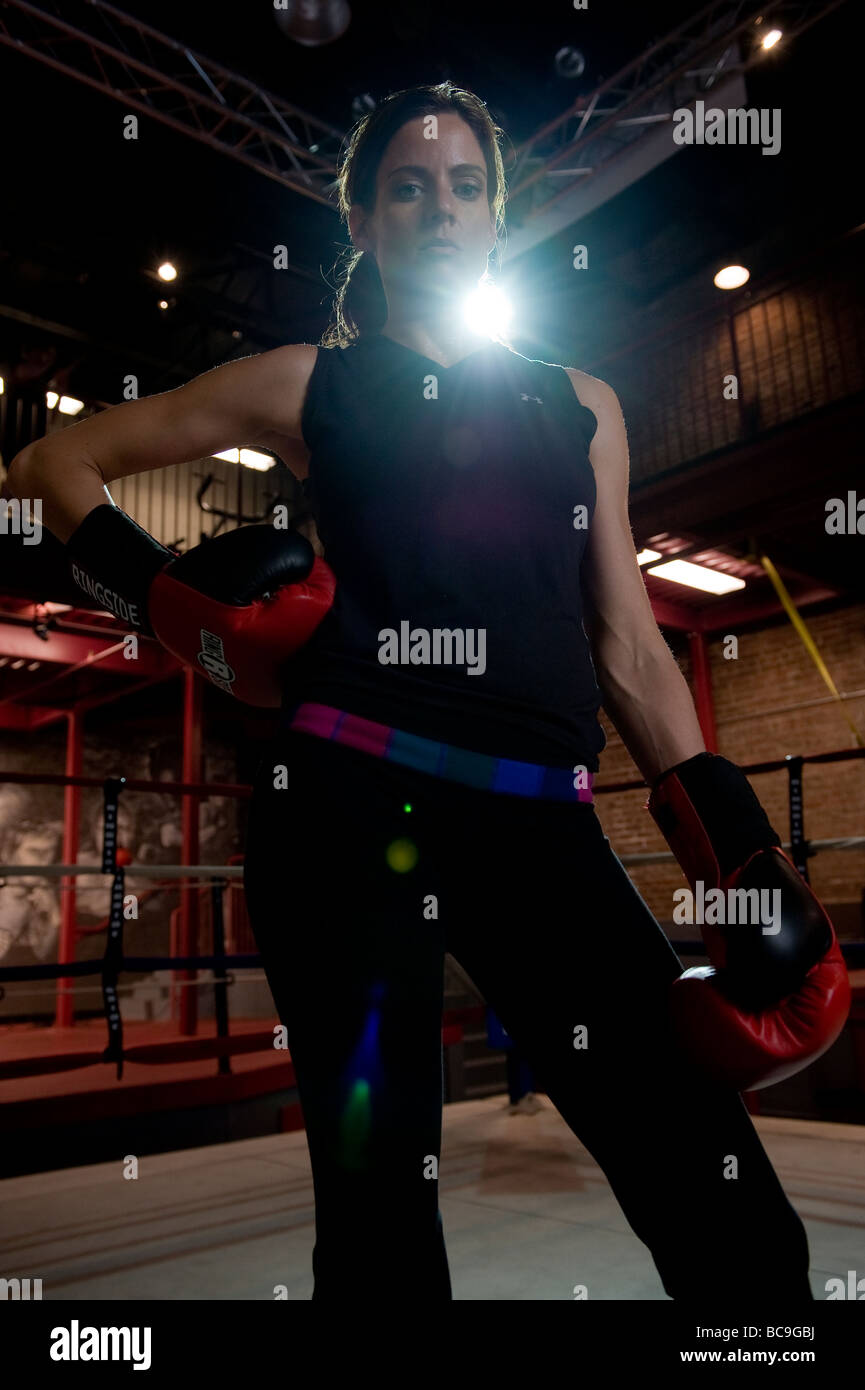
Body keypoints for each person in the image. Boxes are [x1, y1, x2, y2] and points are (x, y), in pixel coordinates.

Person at [6, 81, 841, 1303]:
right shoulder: (308, 383)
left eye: (464, 185)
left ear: (495, 218)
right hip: (346, 814)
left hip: (538, 826)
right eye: (408, 184)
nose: (439, 206)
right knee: (383, 1232)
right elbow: (47, 463)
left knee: (736, 1223)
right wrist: (175, 608)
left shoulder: (583, 407)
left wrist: (743, 853)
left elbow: (627, 641)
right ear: (366, 219)